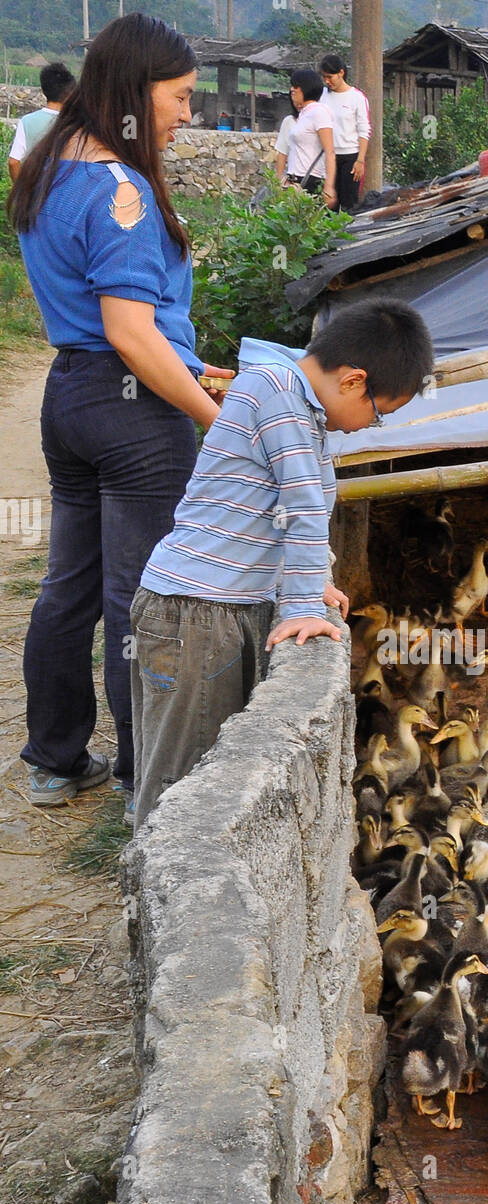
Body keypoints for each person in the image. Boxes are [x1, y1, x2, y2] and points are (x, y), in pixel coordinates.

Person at [8, 14, 233, 823]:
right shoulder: (121, 189)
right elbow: (130, 332)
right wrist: (210, 411)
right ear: (135, 91)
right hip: (131, 416)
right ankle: (148, 778)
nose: (184, 115)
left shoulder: (45, 168)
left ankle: (54, 759)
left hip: (70, 400)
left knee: (67, 586)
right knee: (137, 600)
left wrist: (192, 363)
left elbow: (111, 322)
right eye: (178, 97)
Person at [130, 298, 433, 831]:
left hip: (232, 604)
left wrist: (315, 580)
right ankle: (159, 896)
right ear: (354, 381)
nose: (372, 426)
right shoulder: (277, 394)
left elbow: (311, 496)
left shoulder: (301, 404)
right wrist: (297, 605)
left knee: (215, 767)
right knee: (183, 779)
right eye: (380, 412)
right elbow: (302, 508)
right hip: (194, 609)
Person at [274, 68, 336, 207]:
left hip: (310, 180)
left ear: (305, 89)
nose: (292, 90)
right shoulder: (303, 114)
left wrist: (329, 186)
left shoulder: (319, 112)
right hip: (294, 179)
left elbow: (329, 151)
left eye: (296, 87)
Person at [319, 55, 371, 213]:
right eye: (324, 77)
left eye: (330, 76)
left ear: (341, 73)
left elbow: (364, 129)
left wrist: (360, 160)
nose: (327, 81)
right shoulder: (322, 96)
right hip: (328, 156)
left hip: (350, 157)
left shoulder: (357, 98)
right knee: (327, 204)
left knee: (349, 203)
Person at [8, 62, 75, 181]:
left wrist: (22, 190)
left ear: (44, 90)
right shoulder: (74, 123)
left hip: (36, 191)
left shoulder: (27, 121)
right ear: (70, 93)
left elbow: (13, 162)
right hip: (65, 193)